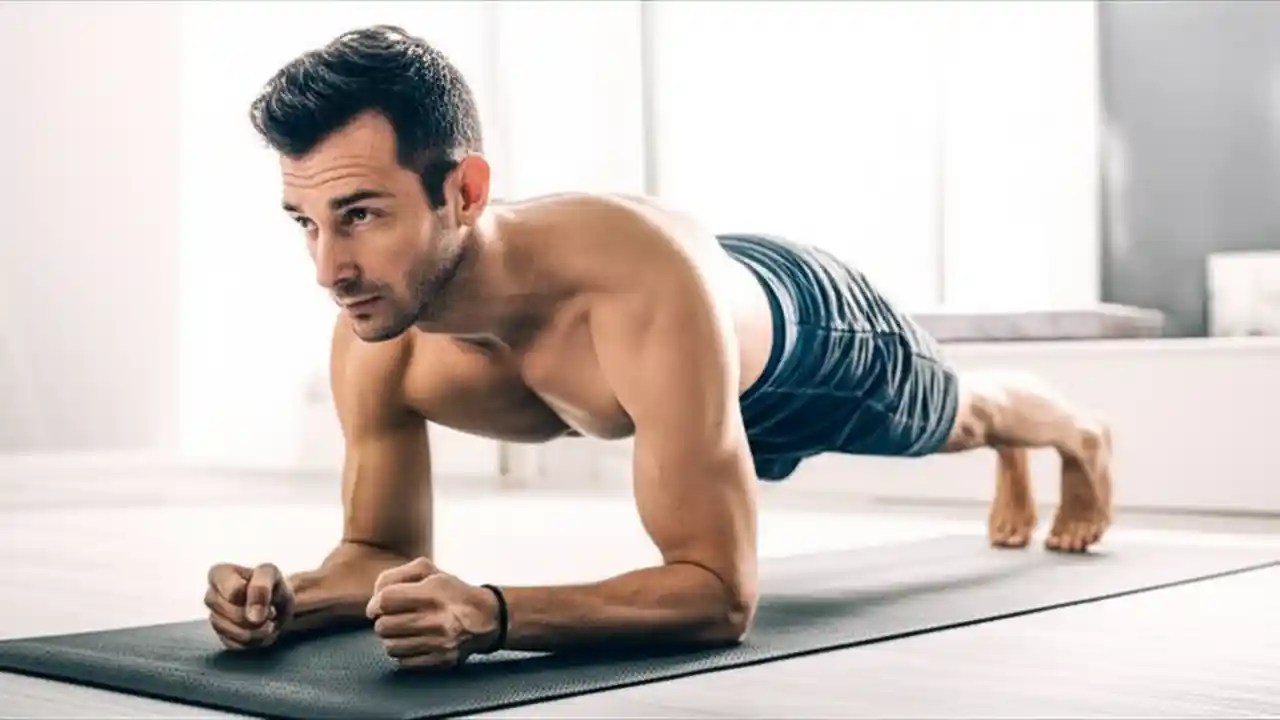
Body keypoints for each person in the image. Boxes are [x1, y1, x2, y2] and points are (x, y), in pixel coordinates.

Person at [203, 25, 1113, 669]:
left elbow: (721, 596)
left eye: (360, 216)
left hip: (804, 340)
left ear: (465, 191)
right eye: (307, 224)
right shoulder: (377, 335)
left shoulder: (635, 290)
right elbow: (374, 547)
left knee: (956, 416)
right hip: (688, 356)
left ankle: (1072, 437)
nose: (330, 268)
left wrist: (492, 614)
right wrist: (291, 599)